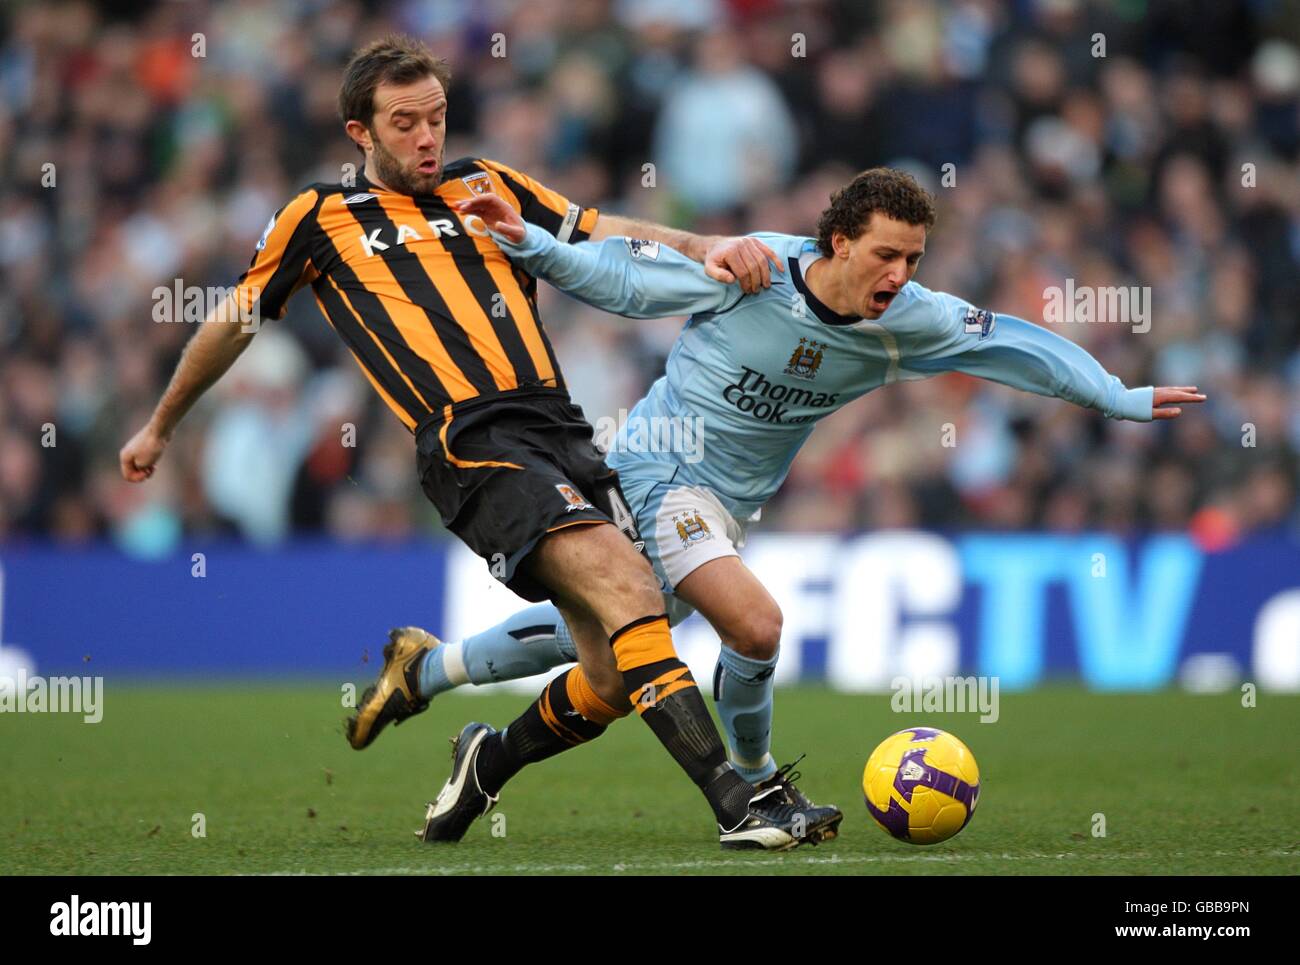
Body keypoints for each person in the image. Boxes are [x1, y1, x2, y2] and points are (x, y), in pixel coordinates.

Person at [118, 34, 840, 851]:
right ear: (360, 132)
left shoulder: (483, 183)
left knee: (607, 674)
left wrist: (703, 247)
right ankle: (739, 800)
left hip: (561, 427)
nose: (428, 137)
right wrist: (162, 422)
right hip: (470, 438)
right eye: (404, 123)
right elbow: (236, 319)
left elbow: (600, 232)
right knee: (629, 587)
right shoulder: (318, 217)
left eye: (437, 117)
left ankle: (484, 761)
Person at [388, 167, 1205, 842]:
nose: (900, 275)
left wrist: (1114, 395)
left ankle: (454, 708)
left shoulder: (908, 322)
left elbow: (1012, 344)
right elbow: (629, 280)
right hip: (657, 468)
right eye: (886, 254)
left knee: (607, 654)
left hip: (727, 502)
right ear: (837, 243)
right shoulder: (753, 269)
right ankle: (755, 792)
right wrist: (529, 241)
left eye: (914, 259)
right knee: (754, 623)